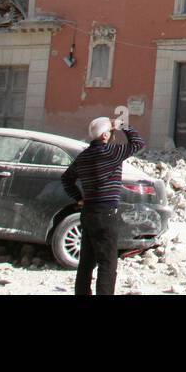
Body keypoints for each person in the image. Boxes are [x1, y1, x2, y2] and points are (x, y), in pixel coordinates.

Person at [61, 115, 145, 295]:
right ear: (105, 135)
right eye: (110, 132)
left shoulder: (83, 157)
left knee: (86, 261)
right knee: (107, 263)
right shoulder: (112, 153)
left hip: (88, 212)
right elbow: (138, 143)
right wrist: (123, 124)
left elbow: (66, 179)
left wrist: (79, 198)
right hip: (106, 213)